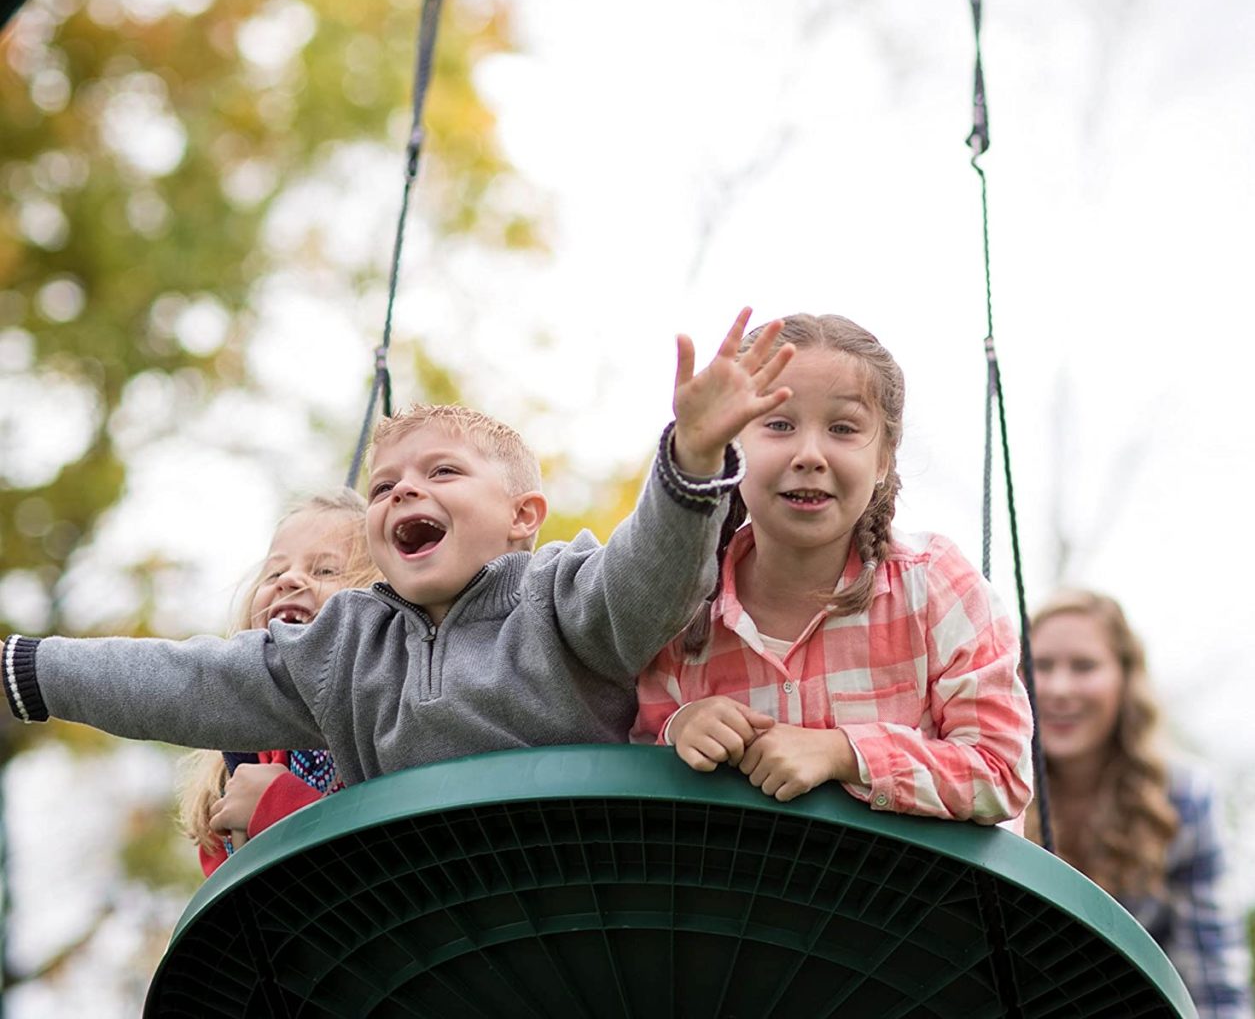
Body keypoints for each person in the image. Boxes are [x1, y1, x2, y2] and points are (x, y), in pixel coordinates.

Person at [3, 309, 794, 792]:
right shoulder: (343, 652)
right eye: (383, 488)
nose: (404, 493)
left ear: (522, 515)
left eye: (442, 472)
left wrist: (692, 460)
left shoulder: (562, 600)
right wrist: (28, 669)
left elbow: (652, 578)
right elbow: (189, 680)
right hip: (417, 927)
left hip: (568, 894)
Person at [633, 312, 1033, 825]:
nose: (809, 455)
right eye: (779, 424)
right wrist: (679, 729)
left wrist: (845, 753)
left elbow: (1002, 772)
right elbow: (634, 772)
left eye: (842, 429)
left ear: (884, 459)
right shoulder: (682, 606)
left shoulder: (937, 588)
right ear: (731, 446)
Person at [1029, 590, 1255, 1018]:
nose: (1059, 688)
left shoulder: (1184, 800)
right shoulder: (990, 793)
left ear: (1125, 679)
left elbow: (1214, 980)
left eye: (1084, 666)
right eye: (1042, 665)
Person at [177, 488, 380, 875]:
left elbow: (392, 857)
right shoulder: (231, 769)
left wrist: (275, 805)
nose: (289, 579)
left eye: (325, 570)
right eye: (274, 572)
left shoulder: (382, 728)